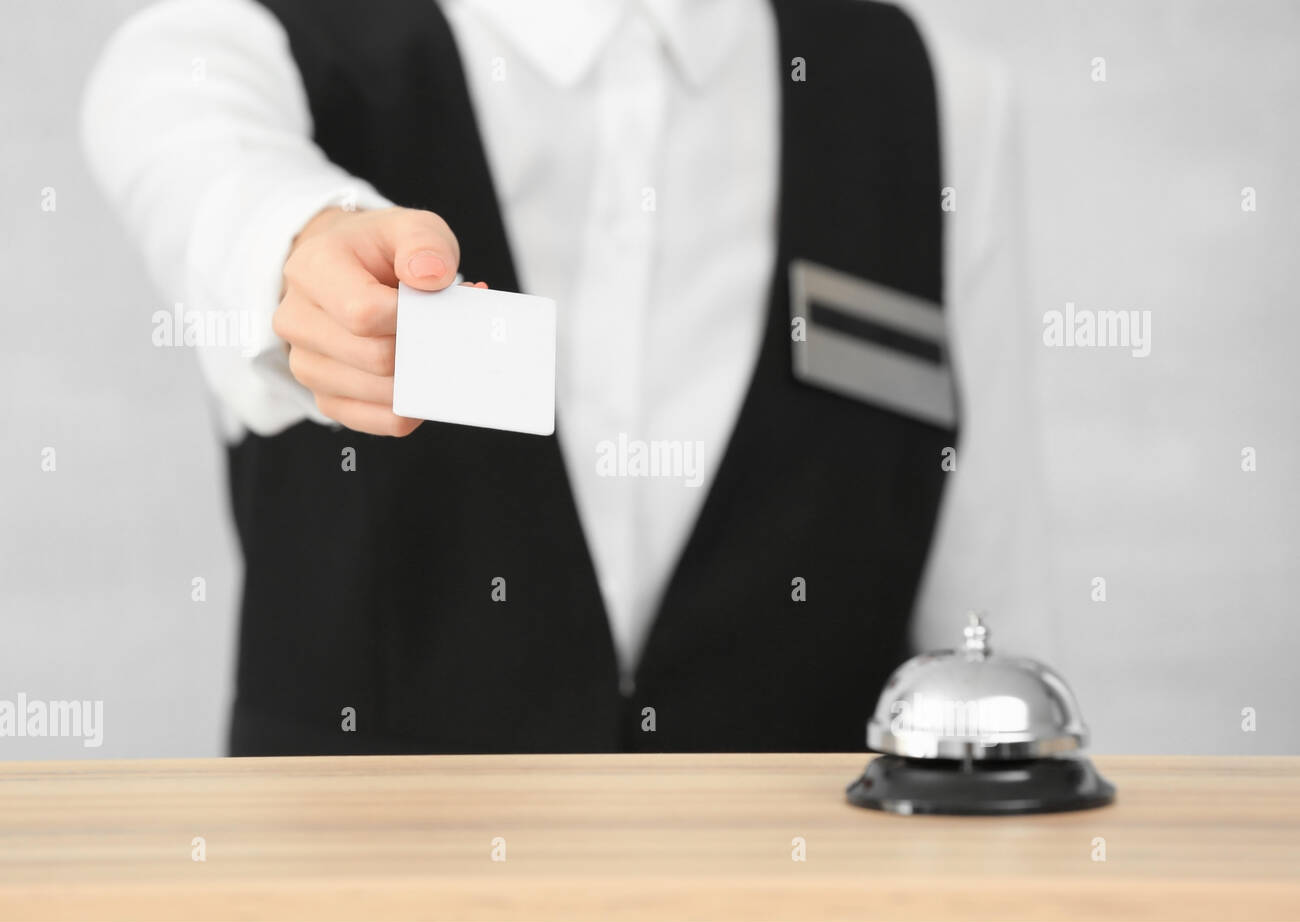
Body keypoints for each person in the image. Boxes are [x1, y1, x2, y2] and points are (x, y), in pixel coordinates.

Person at [82, 0, 1048, 755]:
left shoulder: (938, 96)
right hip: (348, 893)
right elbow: (195, 163)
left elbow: (988, 617)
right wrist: (304, 246)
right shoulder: (242, 51)